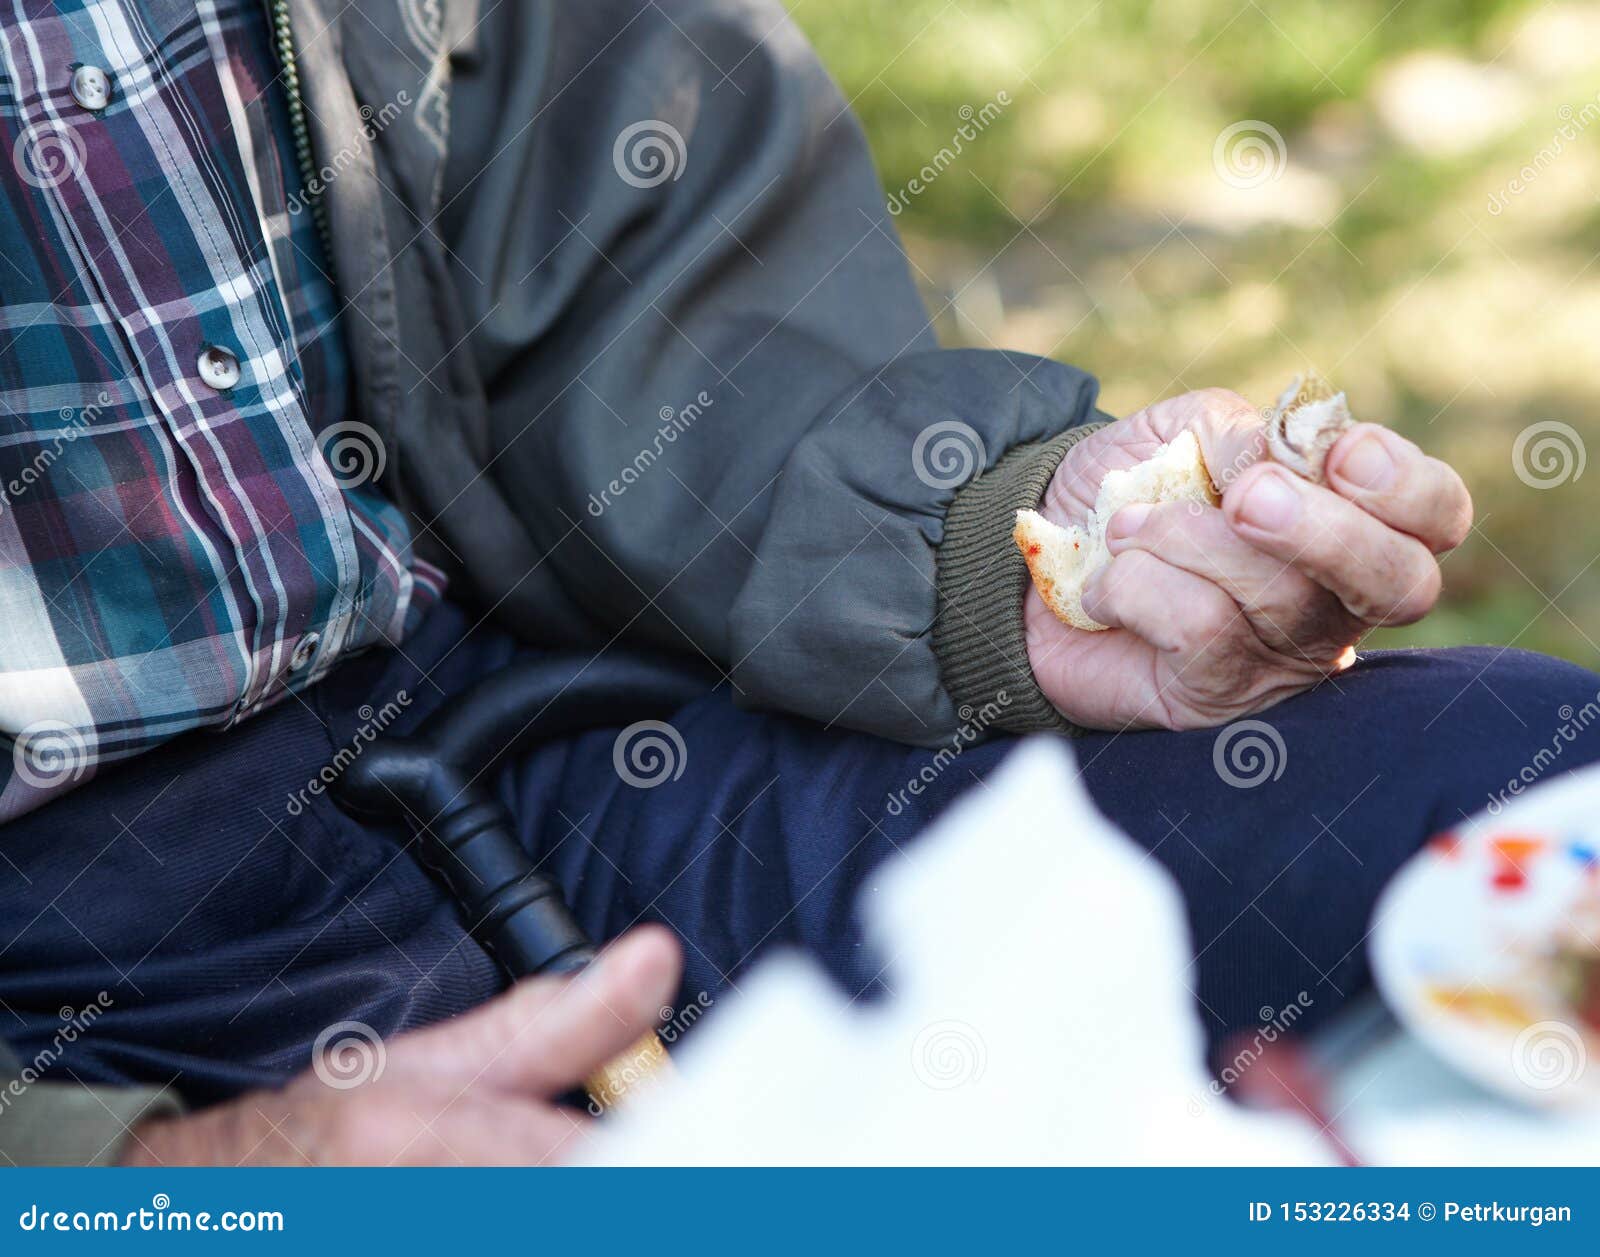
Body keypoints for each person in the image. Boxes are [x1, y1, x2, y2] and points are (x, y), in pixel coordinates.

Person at [0, 0, 1593, 1165]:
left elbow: (599, 225)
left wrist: (990, 552)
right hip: (59, 1027)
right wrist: (139, 1170)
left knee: (1518, 786)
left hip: (502, 734)